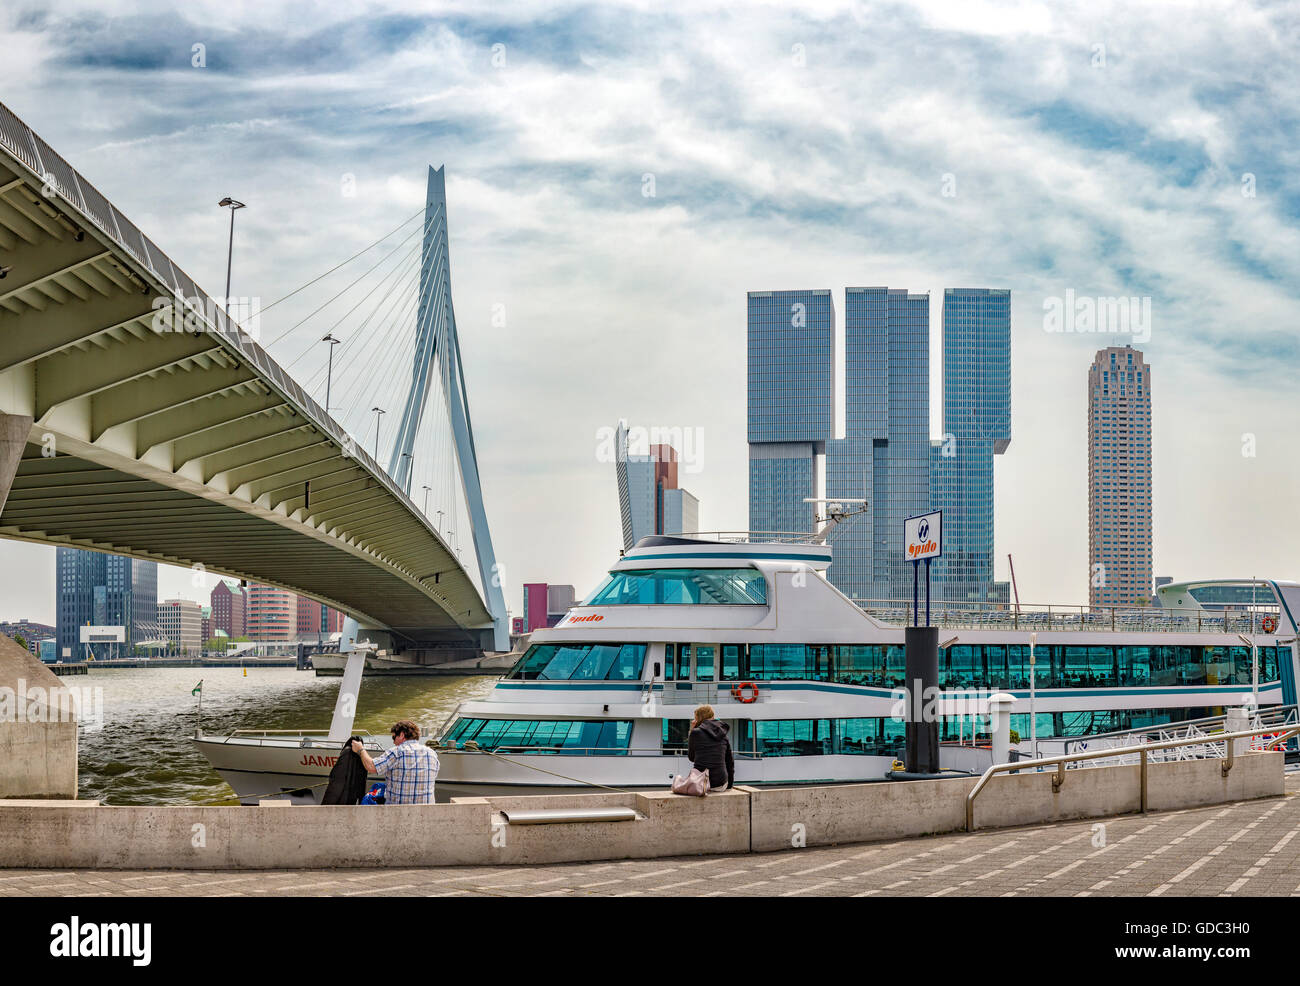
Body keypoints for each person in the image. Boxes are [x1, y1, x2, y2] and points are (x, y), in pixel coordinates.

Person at [350, 719, 439, 804]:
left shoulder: (397, 752)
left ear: (402, 735)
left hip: (398, 814)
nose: (393, 742)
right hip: (426, 814)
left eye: (393, 737)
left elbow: (371, 767)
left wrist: (360, 749)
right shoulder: (432, 754)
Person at [687, 705, 733, 792]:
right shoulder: (723, 734)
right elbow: (730, 762)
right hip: (720, 784)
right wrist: (729, 785)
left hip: (701, 782)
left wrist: (691, 731)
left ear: (698, 718)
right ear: (712, 716)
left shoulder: (695, 733)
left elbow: (692, 758)